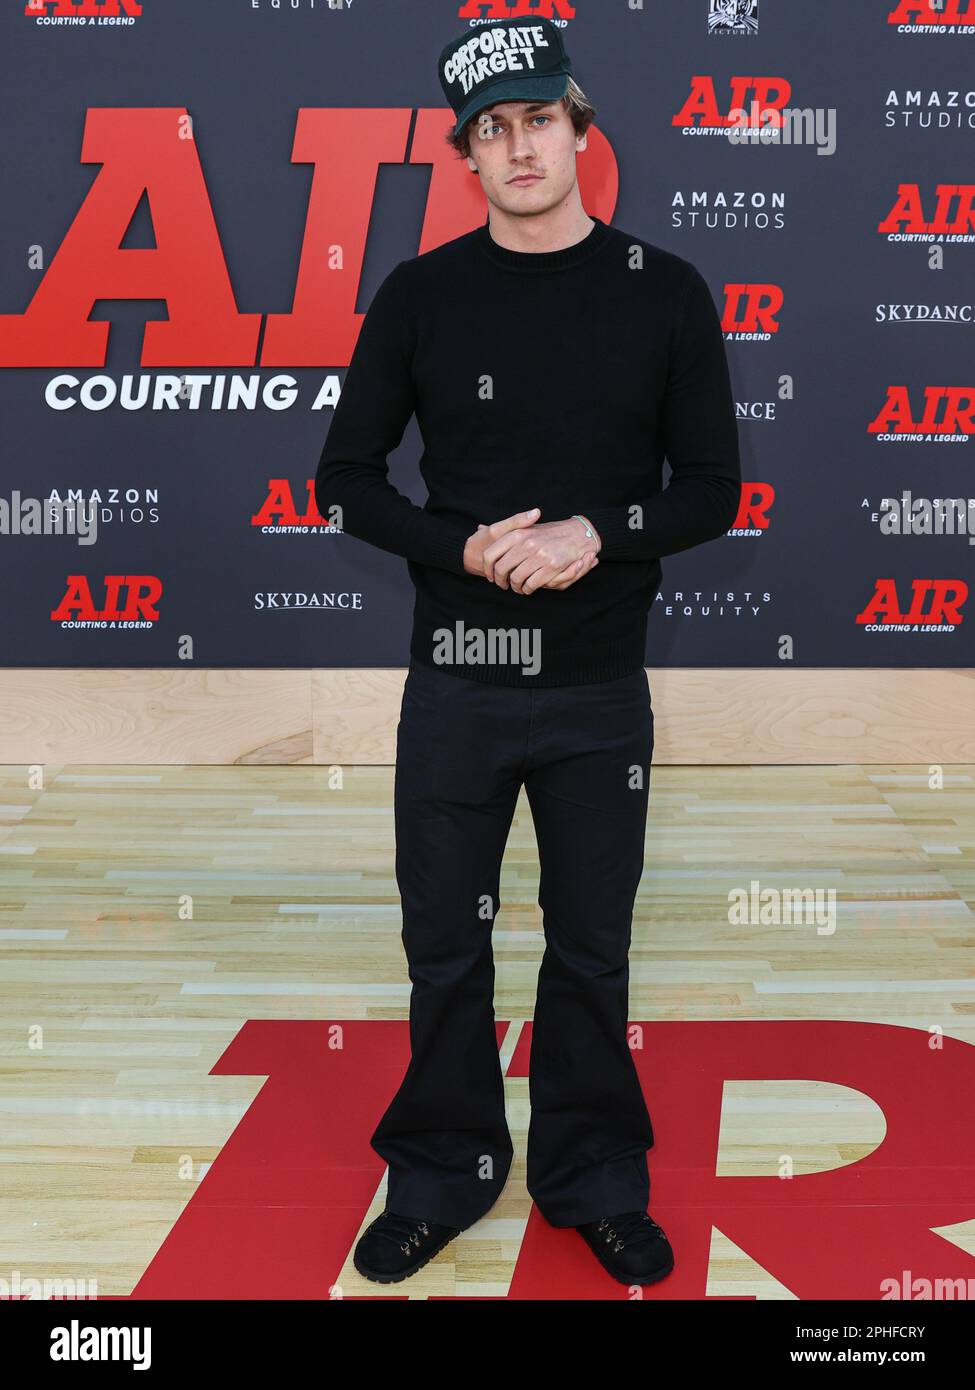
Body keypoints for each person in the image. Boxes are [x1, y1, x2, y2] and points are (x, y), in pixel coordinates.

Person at [315, 15, 740, 1288]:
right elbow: (342, 481)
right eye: (490, 131)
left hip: (599, 690)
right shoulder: (421, 294)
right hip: (457, 683)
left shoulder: (664, 291)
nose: (518, 148)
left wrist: (593, 534)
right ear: (467, 156)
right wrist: (466, 549)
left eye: (538, 121)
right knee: (443, 940)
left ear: (580, 131)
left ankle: (592, 1172)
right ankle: (443, 1168)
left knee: (590, 947)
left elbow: (711, 492)